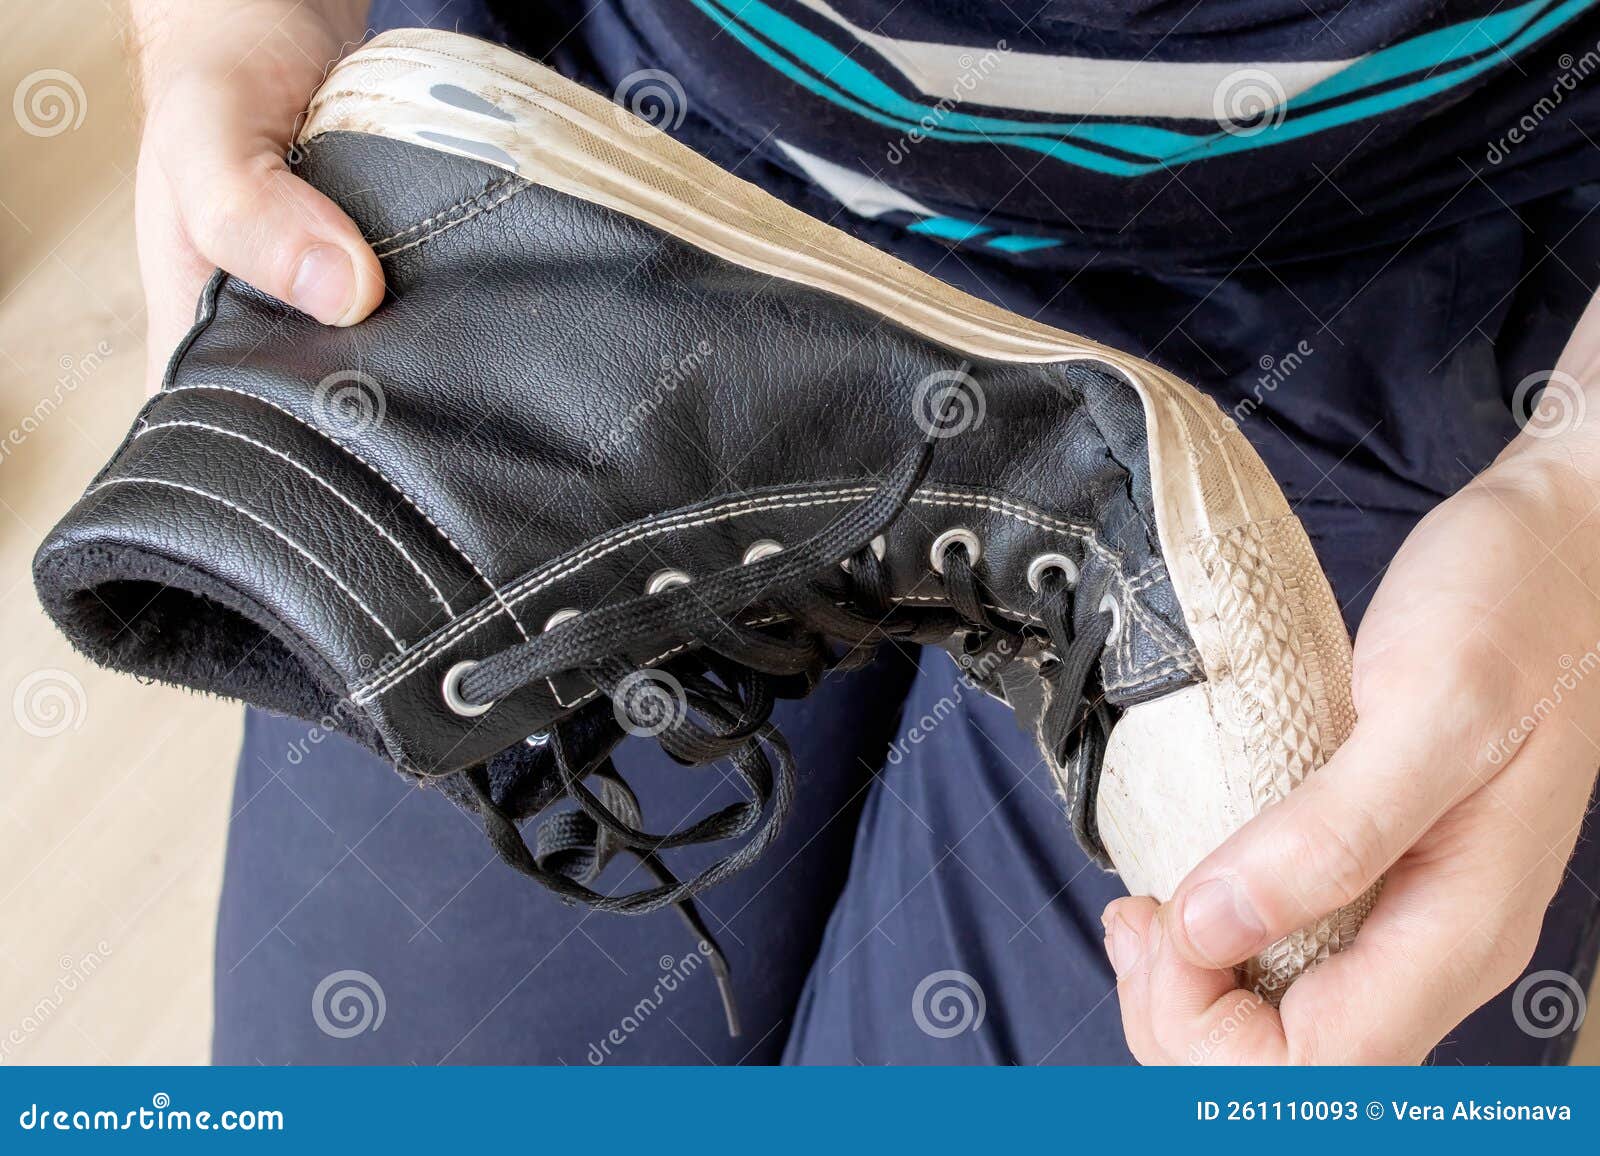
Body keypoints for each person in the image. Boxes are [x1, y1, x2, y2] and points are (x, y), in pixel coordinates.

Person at [130, 0, 1600, 1064]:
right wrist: (230, 34)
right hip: (603, 156)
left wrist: (1574, 496)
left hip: (1404, 258)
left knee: (1274, 981)